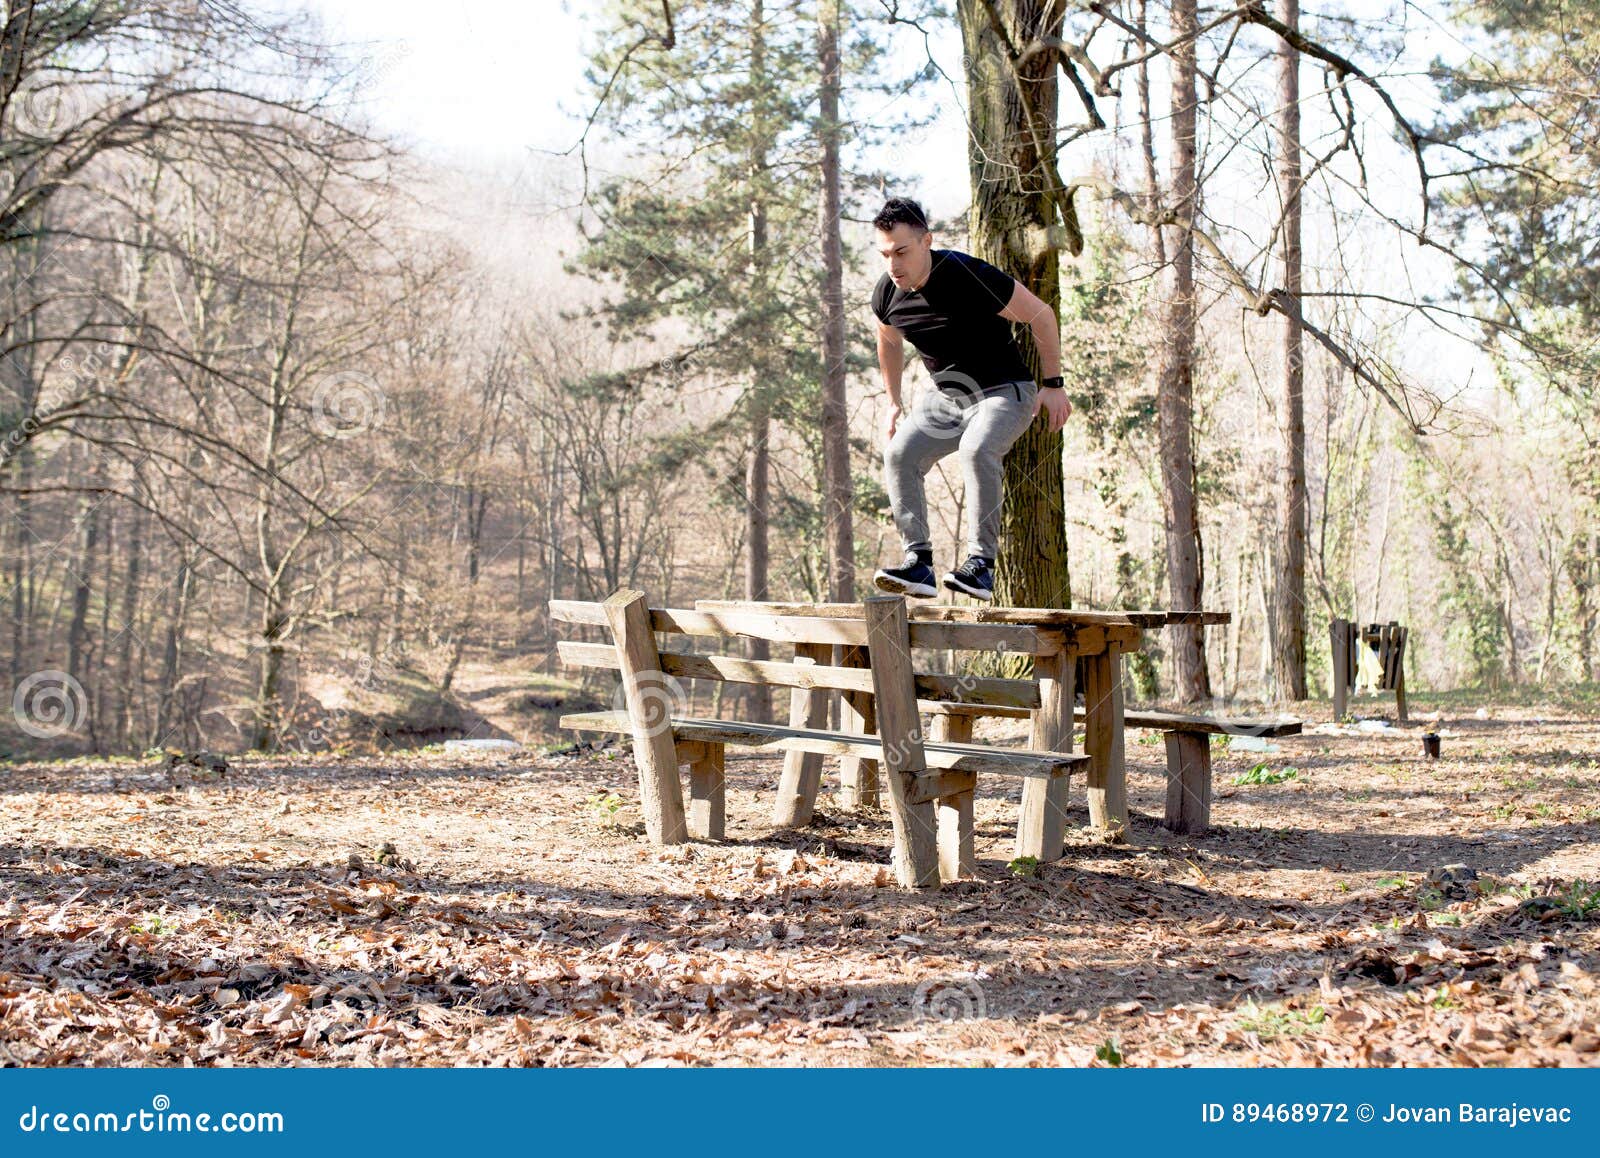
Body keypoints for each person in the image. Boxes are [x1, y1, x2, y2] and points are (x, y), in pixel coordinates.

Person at [869, 196, 1072, 601]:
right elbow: (888, 340)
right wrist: (893, 401)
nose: (893, 265)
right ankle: (918, 563)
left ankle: (981, 566)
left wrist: (1053, 383)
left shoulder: (967, 274)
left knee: (977, 449)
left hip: (1006, 392)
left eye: (902, 252)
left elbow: (1041, 314)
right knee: (899, 455)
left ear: (927, 241)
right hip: (947, 398)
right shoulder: (887, 294)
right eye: (886, 254)